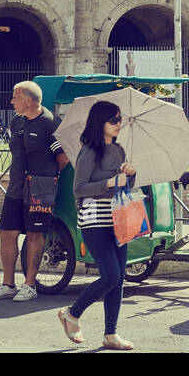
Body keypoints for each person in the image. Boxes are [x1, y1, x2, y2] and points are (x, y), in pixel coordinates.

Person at [57, 100, 137, 350]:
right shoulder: (89, 151)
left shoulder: (120, 150)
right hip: (94, 220)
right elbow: (78, 189)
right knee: (111, 275)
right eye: (113, 120)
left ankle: (110, 334)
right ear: (99, 122)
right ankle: (72, 313)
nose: (118, 124)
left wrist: (131, 176)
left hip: (119, 218)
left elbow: (125, 186)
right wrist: (109, 183)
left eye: (119, 119)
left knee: (119, 278)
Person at [0, 81, 68, 303]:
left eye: (15, 97)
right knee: (7, 232)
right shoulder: (17, 121)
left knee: (35, 234)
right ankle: (8, 285)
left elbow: (63, 157)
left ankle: (30, 285)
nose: (11, 101)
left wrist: (46, 175)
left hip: (40, 188)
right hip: (16, 187)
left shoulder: (50, 124)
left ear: (28, 100)